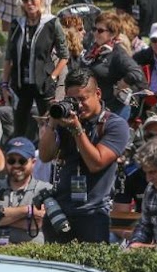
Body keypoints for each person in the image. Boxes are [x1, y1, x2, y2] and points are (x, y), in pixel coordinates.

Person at [38, 68, 131, 242]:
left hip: (93, 214)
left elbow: (96, 163)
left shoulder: (115, 125)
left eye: (82, 99)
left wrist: (77, 130)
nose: (78, 106)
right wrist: (52, 122)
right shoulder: (66, 120)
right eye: (72, 100)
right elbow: (45, 156)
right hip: (61, 211)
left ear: (97, 94)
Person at [4, 0, 69, 141]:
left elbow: (64, 55)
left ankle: (48, 158)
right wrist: (4, 83)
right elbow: (8, 56)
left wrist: (53, 76)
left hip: (44, 83)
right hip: (21, 84)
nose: (30, 3)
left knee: (48, 124)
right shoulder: (16, 24)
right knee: (19, 126)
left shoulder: (52, 23)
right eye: (25, 0)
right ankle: (18, 160)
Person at [0, 136, 52, 244]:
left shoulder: (45, 189)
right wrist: (27, 211)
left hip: (30, 254)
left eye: (22, 161)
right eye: (11, 161)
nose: (16, 165)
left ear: (33, 162)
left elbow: (38, 222)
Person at [77, 12, 146, 117]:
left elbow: (136, 73)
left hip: (114, 109)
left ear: (113, 34)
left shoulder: (117, 52)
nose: (95, 33)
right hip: (94, 106)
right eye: (94, 29)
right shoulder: (93, 50)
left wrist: (123, 83)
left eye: (100, 31)